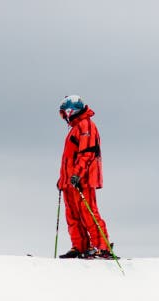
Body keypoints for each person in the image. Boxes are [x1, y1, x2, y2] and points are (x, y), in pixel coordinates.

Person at [56, 95, 113, 259]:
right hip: (70, 181)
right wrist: (63, 179)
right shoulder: (75, 127)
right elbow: (68, 158)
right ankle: (80, 246)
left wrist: (77, 175)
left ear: (70, 111)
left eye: (63, 113)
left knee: (87, 212)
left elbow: (87, 153)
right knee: (72, 214)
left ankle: (102, 246)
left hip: (83, 179)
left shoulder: (85, 125)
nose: (63, 117)